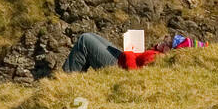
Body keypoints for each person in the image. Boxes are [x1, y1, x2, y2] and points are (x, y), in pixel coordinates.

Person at [62, 32, 205, 73]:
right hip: (121, 59)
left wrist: (129, 52)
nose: (165, 39)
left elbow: (134, 74)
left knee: (85, 40)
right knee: (90, 36)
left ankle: (68, 80)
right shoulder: (158, 54)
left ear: (170, 50)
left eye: (168, 42)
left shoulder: (157, 59)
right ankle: (74, 74)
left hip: (118, 67)